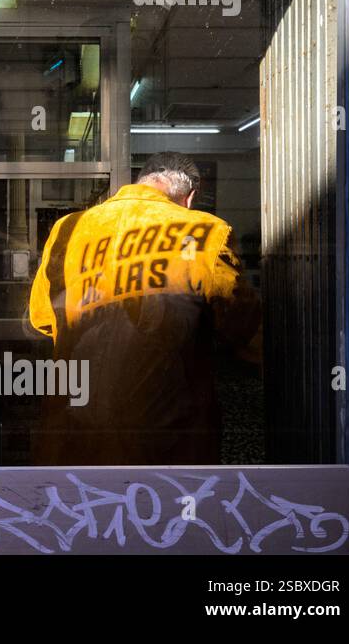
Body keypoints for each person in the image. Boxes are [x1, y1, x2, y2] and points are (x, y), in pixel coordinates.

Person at [27, 152, 261, 464]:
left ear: (141, 181)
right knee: (166, 512)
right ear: (190, 197)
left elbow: (41, 318)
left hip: (74, 431)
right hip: (166, 439)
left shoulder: (68, 228)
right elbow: (240, 324)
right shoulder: (207, 231)